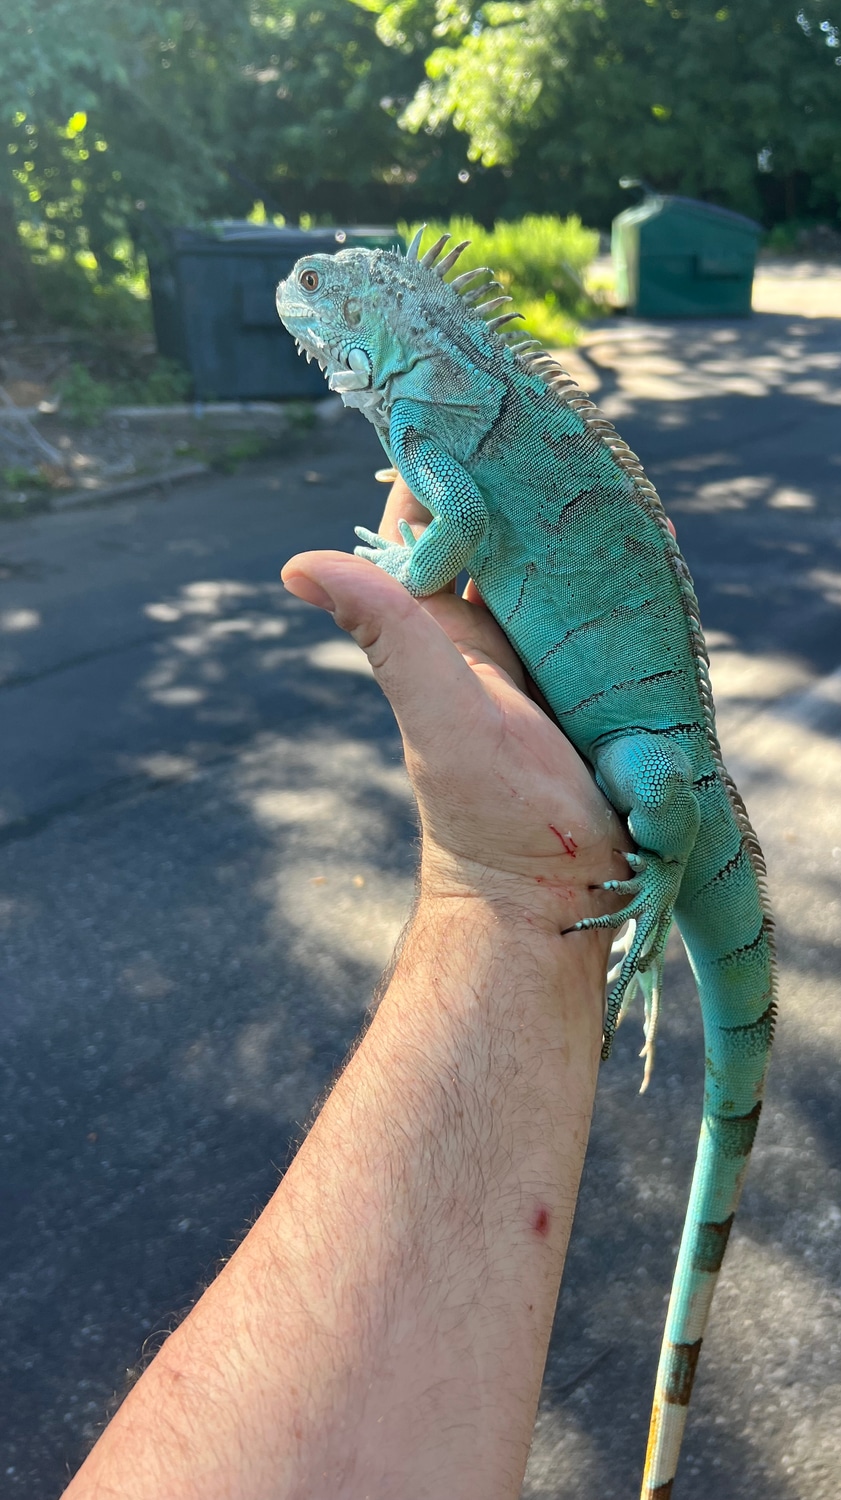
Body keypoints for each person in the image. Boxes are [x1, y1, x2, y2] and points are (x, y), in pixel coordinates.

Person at [63, 480, 628, 1500]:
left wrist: (414, 572)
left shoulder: (449, 413)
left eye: (339, 301)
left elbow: (454, 514)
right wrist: (522, 895)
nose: (311, 310)